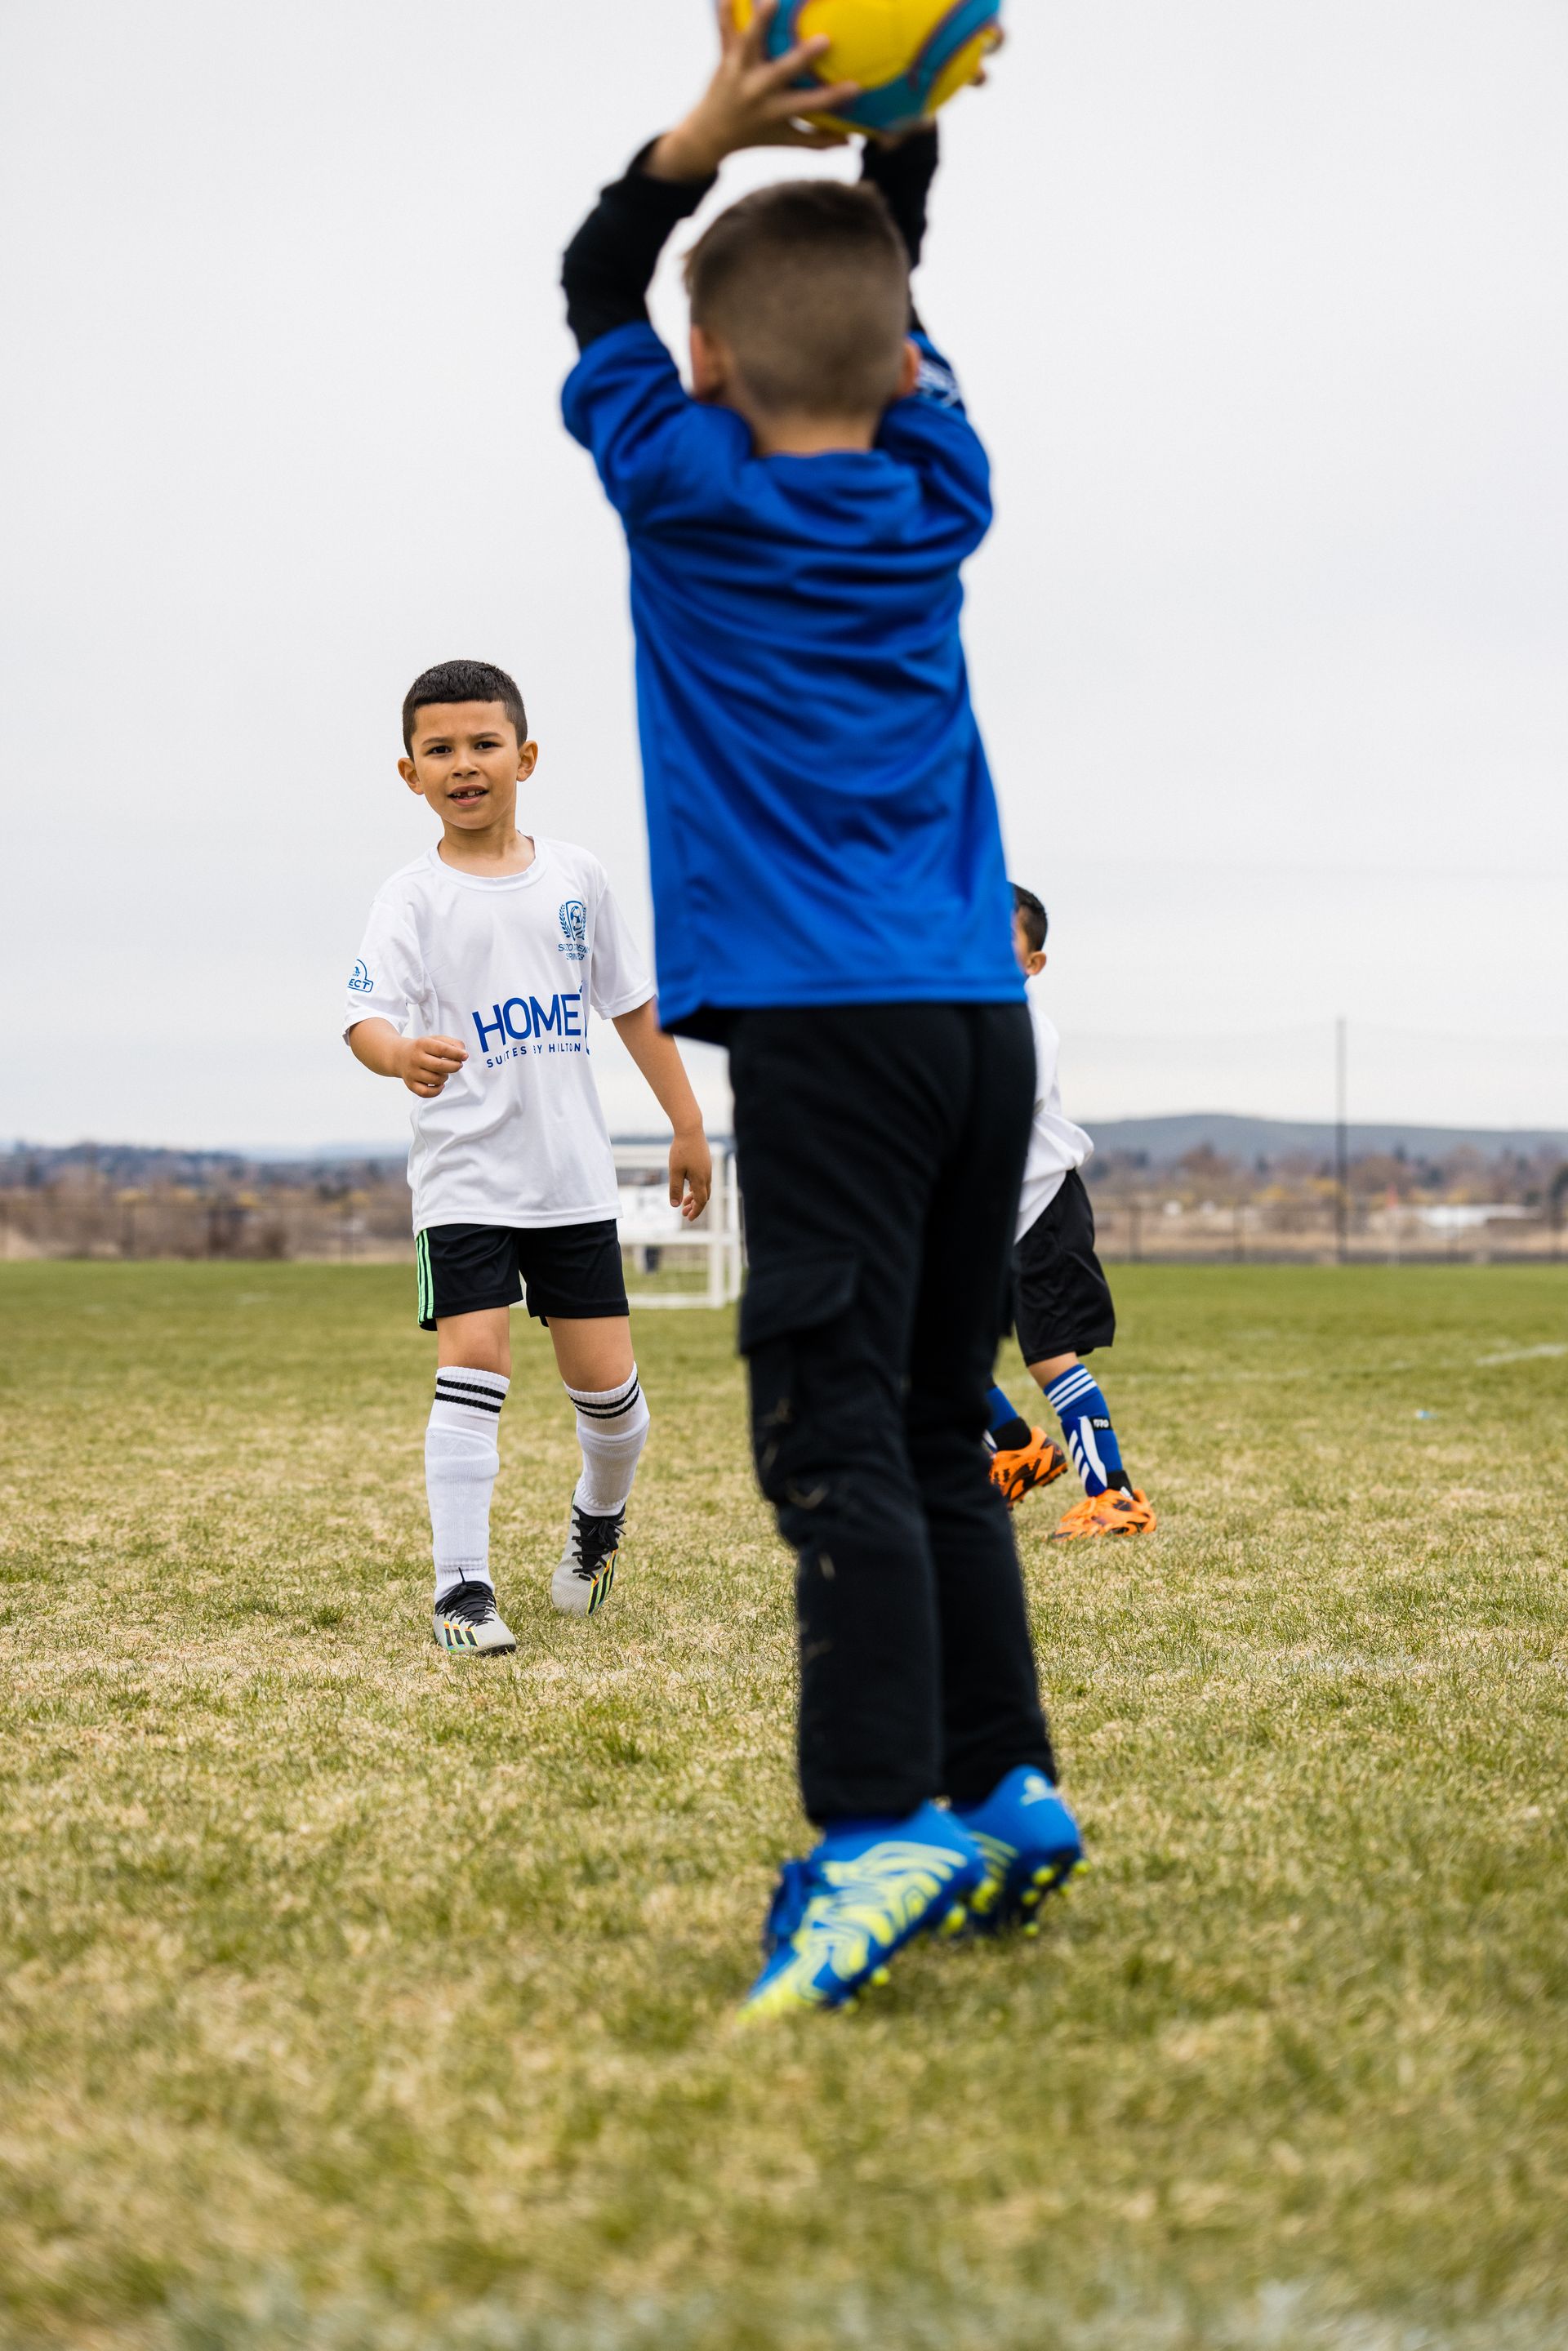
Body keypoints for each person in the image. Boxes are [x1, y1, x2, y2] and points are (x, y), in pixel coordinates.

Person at [560, 4, 1081, 2017]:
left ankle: (876, 1830)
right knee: (941, 1424)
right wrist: (903, 120)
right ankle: (1003, 1779)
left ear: (701, 369)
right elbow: (868, 292)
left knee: (832, 1438)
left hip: (829, 1030)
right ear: (897, 367)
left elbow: (599, 275)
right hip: (973, 1021)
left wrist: (726, 116)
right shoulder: (939, 482)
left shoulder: (681, 487)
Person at [343, 657, 711, 1654]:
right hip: (464, 1178)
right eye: (440, 750)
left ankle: (596, 1530)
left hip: (570, 1182)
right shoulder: (412, 896)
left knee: (612, 1400)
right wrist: (399, 1054)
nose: (464, 764)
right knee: (475, 1360)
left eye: (483, 743)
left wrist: (686, 1122)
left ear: (526, 755)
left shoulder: (577, 878)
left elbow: (634, 1006)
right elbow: (364, 1015)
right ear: (410, 772)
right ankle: (462, 1590)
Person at [985, 886, 1157, 1540]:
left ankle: (1114, 1494)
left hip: (1040, 1207)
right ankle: (1015, 1447)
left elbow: (1001, 1107)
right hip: (988, 1217)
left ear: (1033, 964)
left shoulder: (1024, 1023)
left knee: (1048, 1354)